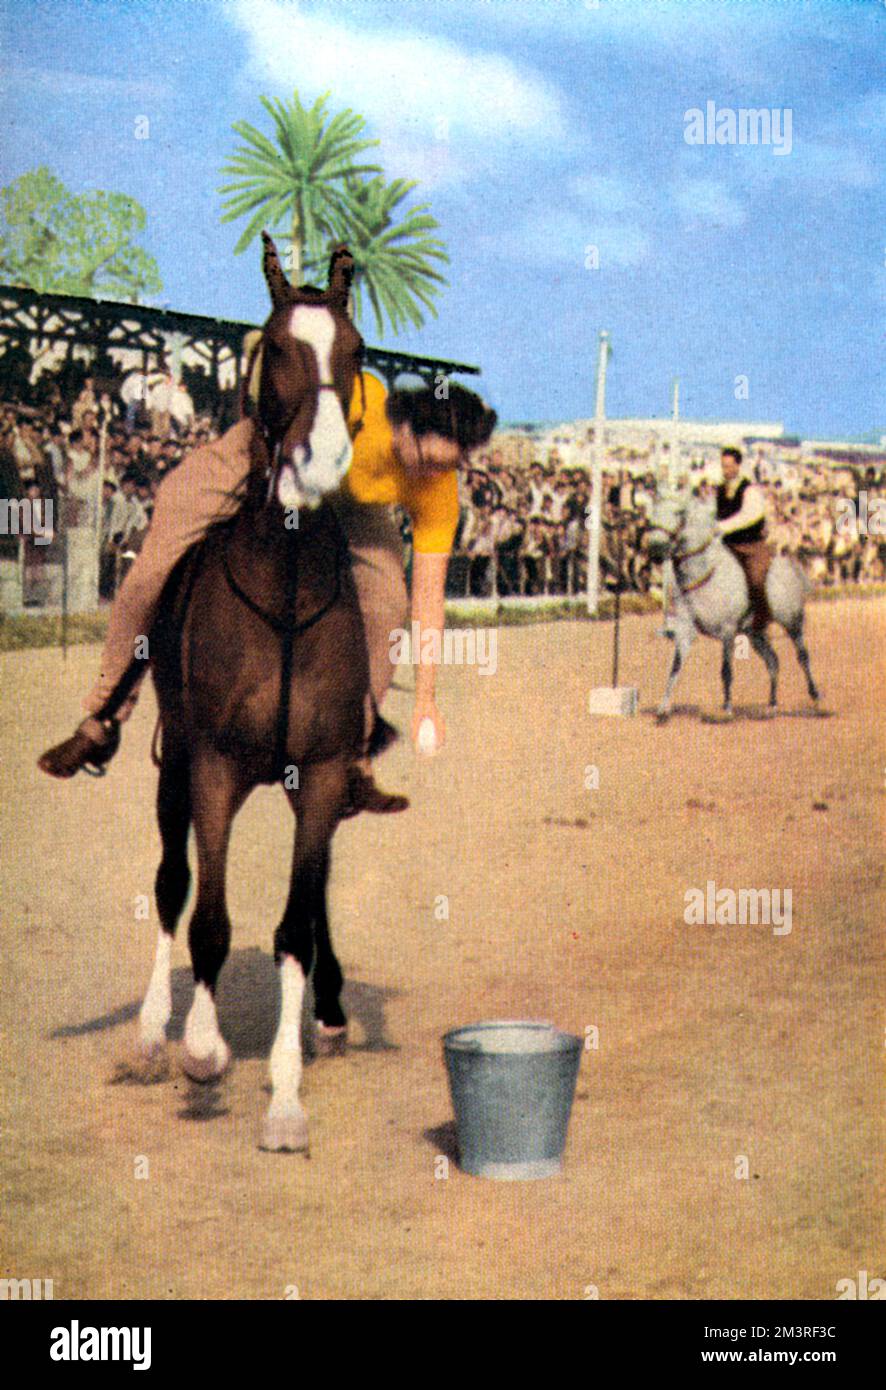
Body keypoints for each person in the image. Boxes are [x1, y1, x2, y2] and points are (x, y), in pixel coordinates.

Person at [38, 365, 497, 816]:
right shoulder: (352, 400)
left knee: (389, 605)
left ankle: (353, 755)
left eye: (447, 466)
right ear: (406, 424)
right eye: (425, 460)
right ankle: (102, 719)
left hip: (350, 503)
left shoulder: (437, 484)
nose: (430, 476)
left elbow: (429, 597)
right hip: (263, 455)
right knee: (151, 575)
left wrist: (424, 699)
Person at [715, 446, 772, 629]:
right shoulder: (719, 490)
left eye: (730, 466)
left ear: (738, 465)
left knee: (756, 580)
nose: (726, 470)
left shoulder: (751, 490)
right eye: (723, 466)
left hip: (750, 547)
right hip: (727, 545)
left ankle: (761, 618)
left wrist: (721, 527)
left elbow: (748, 517)